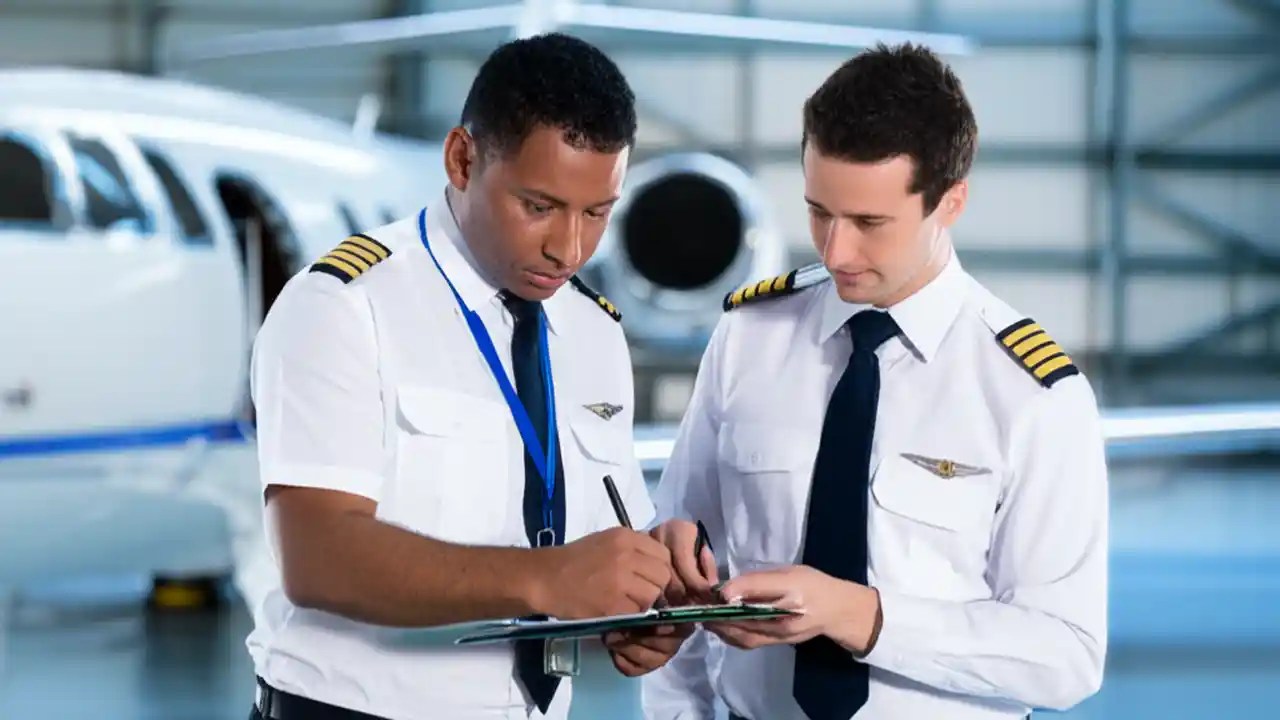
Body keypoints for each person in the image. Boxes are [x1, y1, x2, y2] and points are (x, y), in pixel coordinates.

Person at [642, 42, 1109, 720]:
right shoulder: (748, 338)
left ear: (950, 202)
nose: (836, 251)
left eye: (869, 223)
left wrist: (862, 616)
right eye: (819, 211)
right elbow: (678, 557)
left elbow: (1066, 655)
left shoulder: (1032, 395)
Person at [245, 33, 694, 720]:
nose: (568, 248)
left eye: (597, 212)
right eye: (538, 206)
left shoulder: (593, 331)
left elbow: (599, 530)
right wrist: (548, 581)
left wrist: (643, 602)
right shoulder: (344, 305)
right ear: (461, 158)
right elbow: (317, 556)